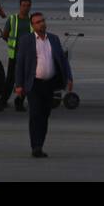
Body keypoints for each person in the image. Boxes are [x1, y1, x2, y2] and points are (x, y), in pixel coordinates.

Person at [13, 12, 73, 158]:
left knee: (45, 115)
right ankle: (36, 146)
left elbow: (63, 61)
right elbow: (20, 64)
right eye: (38, 22)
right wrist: (19, 85)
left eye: (43, 21)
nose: (42, 24)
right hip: (34, 84)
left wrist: (69, 78)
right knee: (35, 114)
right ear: (33, 26)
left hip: (50, 84)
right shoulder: (26, 40)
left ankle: (40, 144)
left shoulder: (54, 39)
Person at [0, 0, 31, 112]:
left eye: (27, 6)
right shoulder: (12, 19)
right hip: (14, 55)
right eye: (23, 5)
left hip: (27, 56)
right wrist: (13, 44)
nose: (25, 8)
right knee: (10, 80)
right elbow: (5, 35)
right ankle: (2, 102)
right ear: (20, 6)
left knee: (25, 81)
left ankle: (19, 102)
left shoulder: (31, 20)